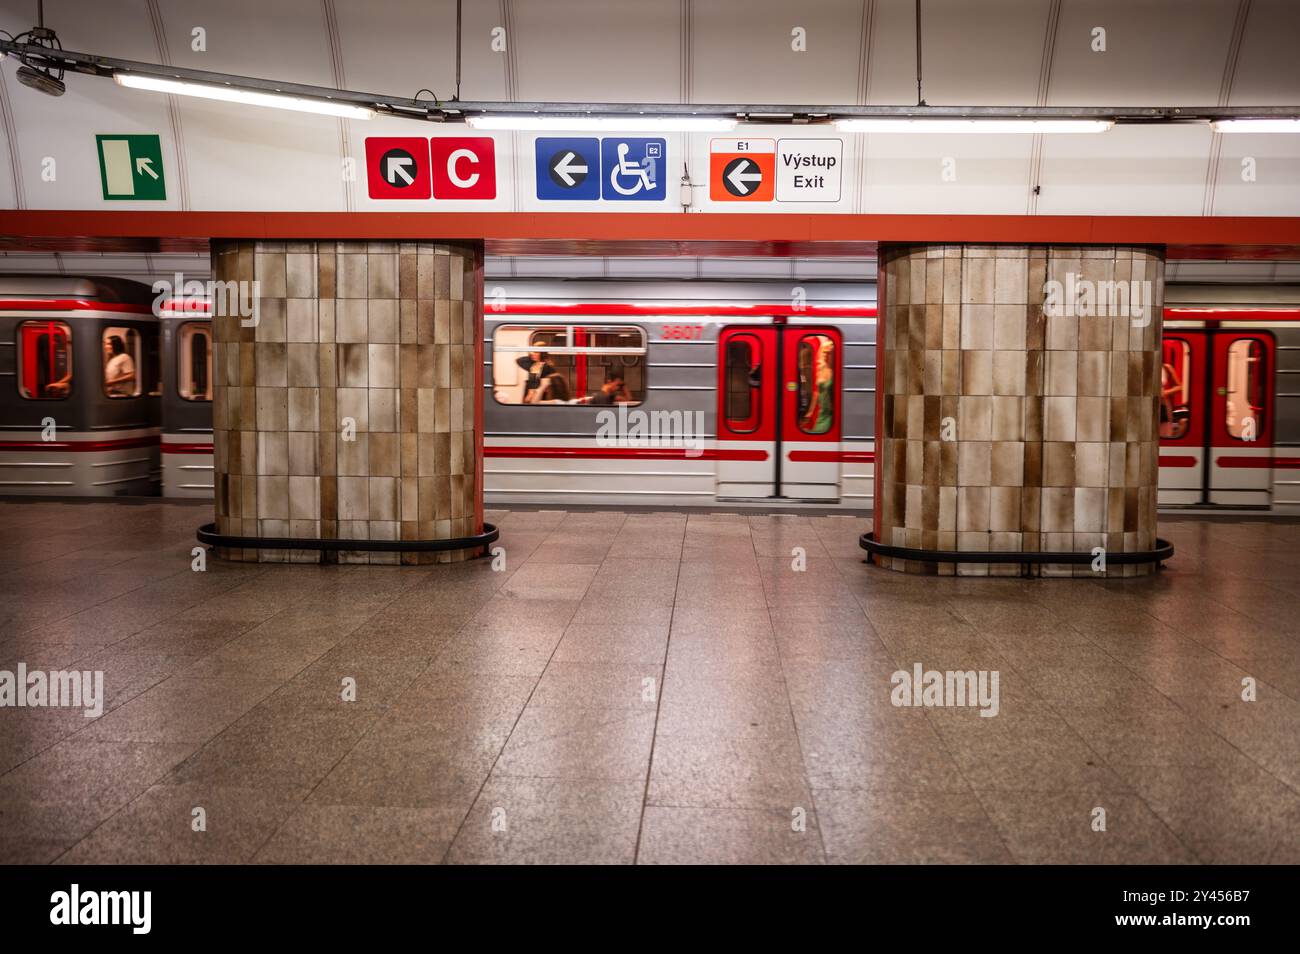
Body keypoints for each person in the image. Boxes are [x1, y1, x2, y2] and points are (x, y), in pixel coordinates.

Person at [800, 338, 835, 433]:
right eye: (824, 352)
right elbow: (816, 393)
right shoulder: (822, 370)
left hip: (831, 415)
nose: (826, 355)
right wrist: (810, 413)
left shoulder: (837, 373)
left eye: (829, 353)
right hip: (822, 414)